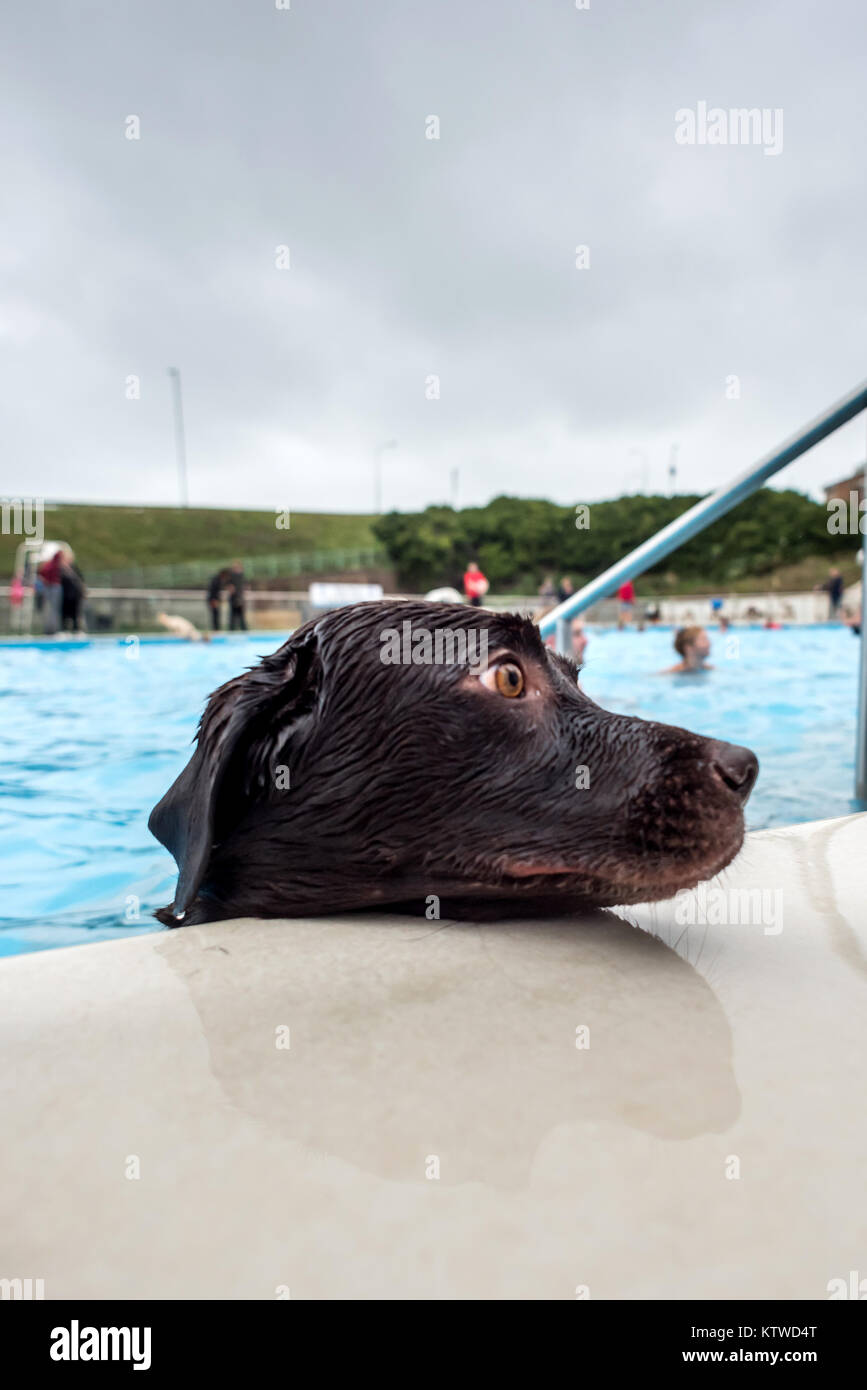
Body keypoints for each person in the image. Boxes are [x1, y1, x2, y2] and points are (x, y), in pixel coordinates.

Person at [37, 548, 64, 635]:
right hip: (53, 587)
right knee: (53, 610)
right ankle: (52, 630)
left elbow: (41, 573)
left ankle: (51, 629)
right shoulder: (54, 565)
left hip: (50, 587)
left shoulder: (49, 565)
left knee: (51, 610)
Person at [59, 547, 86, 632]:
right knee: (64, 613)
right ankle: (64, 629)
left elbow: (81, 579)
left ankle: (76, 629)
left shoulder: (74, 568)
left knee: (75, 613)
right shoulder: (61, 568)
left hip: (75, 594)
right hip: (65, 594)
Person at [226, 560, 247, 631]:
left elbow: (242, 589)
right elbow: (230, 588)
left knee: (241, 617)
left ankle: (244, 630)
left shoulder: (241, 576)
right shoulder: (232, 577)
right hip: (234, 599)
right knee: (233, 617)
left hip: (239, 599)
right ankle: (232, 630)